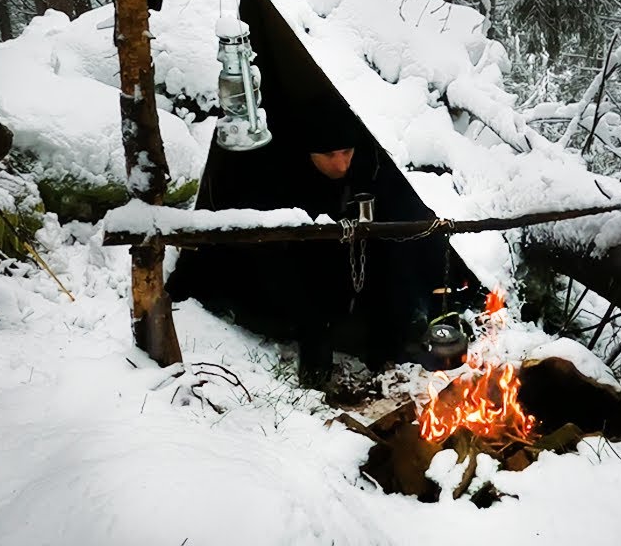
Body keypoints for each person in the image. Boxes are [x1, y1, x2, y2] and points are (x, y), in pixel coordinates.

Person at [167, 98, 443, 389]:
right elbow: (269, 260)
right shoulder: (277, 180)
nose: (341, 164)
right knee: (308, 315)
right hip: (286, 276)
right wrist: (311, 323)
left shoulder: (367, 167)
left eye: (346, 152)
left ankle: (386, 346)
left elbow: (404, 221)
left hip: (347, 270)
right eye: (330, 155)